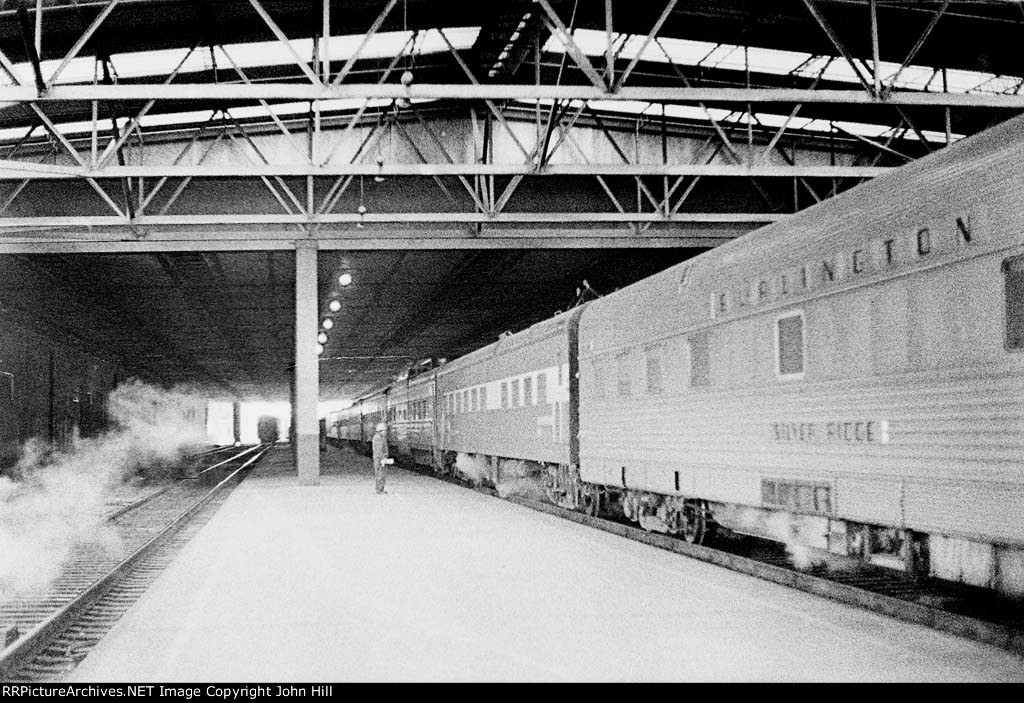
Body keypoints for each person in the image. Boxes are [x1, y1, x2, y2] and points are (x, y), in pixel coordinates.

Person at [372, 422, 390, 494]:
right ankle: (379, 490)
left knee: (381, 473)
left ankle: (380, 489)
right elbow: (379, 450)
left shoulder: (380, 437)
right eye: (385, 430)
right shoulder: (378, 438)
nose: (386, 432)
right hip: (379, 459)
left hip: (379, 458)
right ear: (381, 431)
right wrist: (383, 458)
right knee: (380, 474)